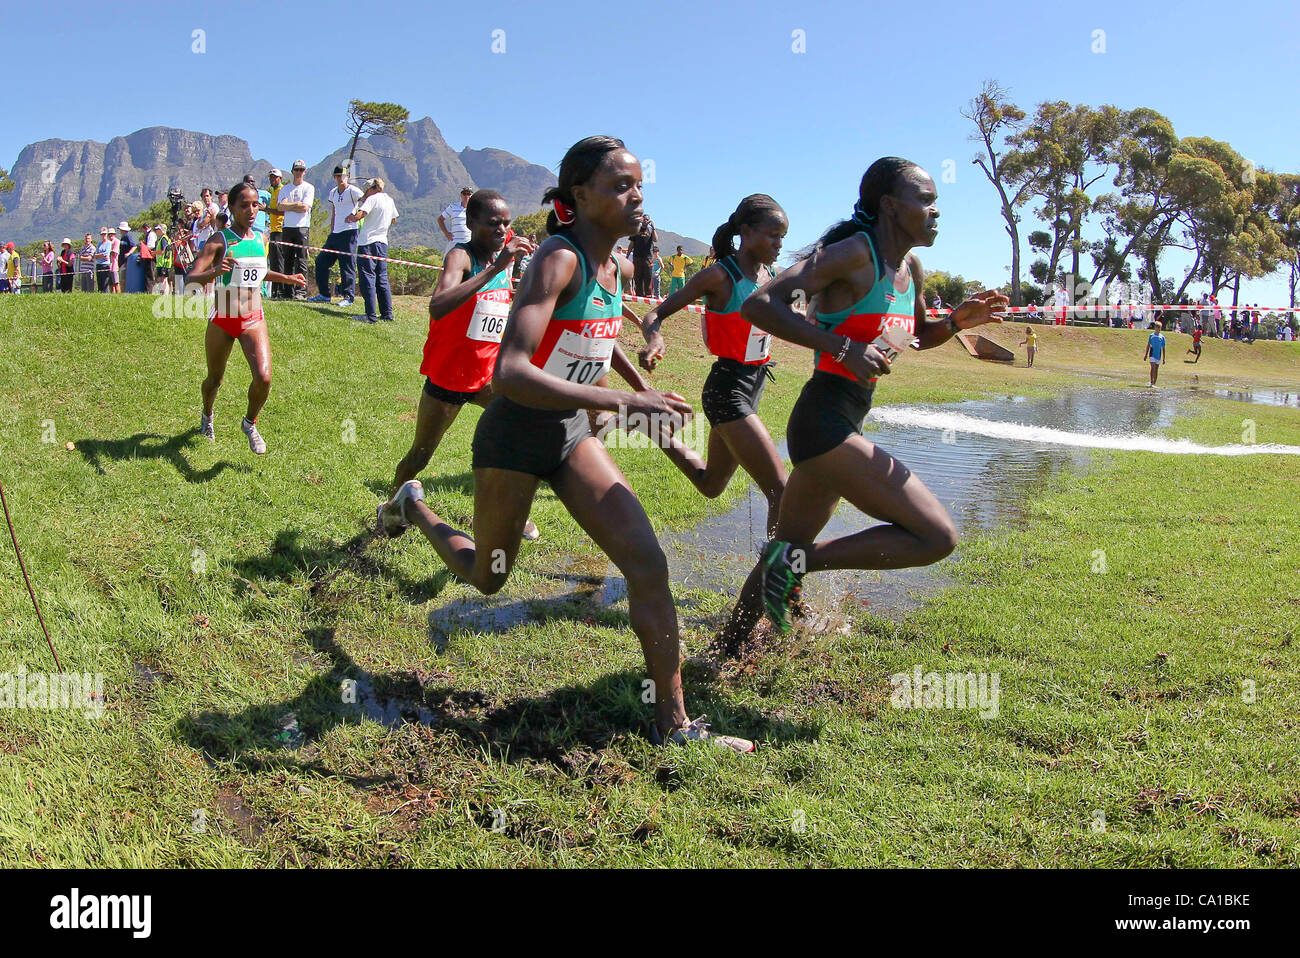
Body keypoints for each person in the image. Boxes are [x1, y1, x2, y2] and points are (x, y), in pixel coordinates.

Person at [379, 136, 754, 753]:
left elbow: (596, 345)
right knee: (487, 576)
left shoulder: (618, 268)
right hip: (513, 438)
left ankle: (675, 725)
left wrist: (634, 379)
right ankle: (414, 505)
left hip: (570, 436)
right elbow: (510, 371)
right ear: (580, 196)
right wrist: (623, 403)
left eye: (639, 185)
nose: (637, 196)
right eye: (621, 186)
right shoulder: (558, 258)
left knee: (648, 565)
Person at [714, 157, 1007, 649]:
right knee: (937, 536)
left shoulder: (910, 266)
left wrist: (957, 323)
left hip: (847, 419)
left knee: (785, 548)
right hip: (823, 424)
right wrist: (842, 347)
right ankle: (795, 566)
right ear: (891, 206)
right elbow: (759, 305)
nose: (936, 212)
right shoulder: (854, 254)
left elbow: (916, 339)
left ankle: (724, 651)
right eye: (927, 201)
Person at [385, 188, 541, 538]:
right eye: (492, 223)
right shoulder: (461, 256)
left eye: (506, 223)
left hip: (488, 375)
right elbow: (438, 305)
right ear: (470, 223)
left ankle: (510, 514)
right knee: (420, 457)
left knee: (523, 433)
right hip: (450, 377)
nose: (502, 230)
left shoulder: (506, 256)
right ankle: (392, 509)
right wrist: (497, 268)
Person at [637, 194, 790, 536]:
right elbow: (655, 312)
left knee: (710, 484)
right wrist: (655, 339)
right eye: (773, 235)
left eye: (783, 237)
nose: (780, 244)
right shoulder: (720, 276)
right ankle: (775, 584)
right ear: (746, 232)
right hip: (728, 388)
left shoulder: (771, 274)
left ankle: (654, 431)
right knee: (781, 489)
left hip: (756, 383)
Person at [187, 181, 307, 455]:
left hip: (253, 316)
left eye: (255, 205)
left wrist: (287, 277)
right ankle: (207, 416)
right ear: (231, 208)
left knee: (264, 378)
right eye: (244, 205)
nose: (251, 210)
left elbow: (258, 271)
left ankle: (250, 423)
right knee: (214, 379)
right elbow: (191, 279)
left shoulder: (259, 238)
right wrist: (215, 272)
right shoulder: (219, 240)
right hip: (224, 315)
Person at [307, 164, 363, 306]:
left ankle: (348, 297)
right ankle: (325, 295)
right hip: (335, 233)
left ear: (347, 176)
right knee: (321, 261)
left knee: (347, 265)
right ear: (334, 177)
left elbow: (367, 201)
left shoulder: (354, 191)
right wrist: (332, 229)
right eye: (337, 176)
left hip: (349, 231)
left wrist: (356, 216)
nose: (340, 179)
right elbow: (334, 211)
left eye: (342, 176)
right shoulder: (333, 192)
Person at [346, 177, 399, 323]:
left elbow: (359, 216)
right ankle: (387, 314)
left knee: (367, 278)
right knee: (382, 278)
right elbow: (394, 219)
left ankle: (370, 315)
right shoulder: (389, 200)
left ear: (371, 189)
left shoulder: (372, 199)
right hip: (382, 243)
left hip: (367, 243)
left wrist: (350, 218)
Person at [277, 160, 314, 302]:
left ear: (304, 172)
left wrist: (289, 205)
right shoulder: (285, 188)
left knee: (302, 260)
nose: (299, 172)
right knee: (288, 260)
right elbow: (280, 207)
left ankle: (300, 291)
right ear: (292, 171)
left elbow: (305, 207)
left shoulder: (308, 188)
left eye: (301, 170)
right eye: (296, 169)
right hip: (287, 227)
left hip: (302, 227)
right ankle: (287, 291)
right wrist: (296, 204)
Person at [264, 169, 286, 298]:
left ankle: (281, 291)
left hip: (280, 230)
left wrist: (266, 209)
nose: (272, 179)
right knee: (273, 262)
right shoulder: (272, 192)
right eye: (271, 177)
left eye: (275, 177)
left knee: (279, 262)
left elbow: (281, 211)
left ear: (280, 178)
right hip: (273, 230)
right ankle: (275, 291)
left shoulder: (281, 190)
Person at [438, 187, 474, 255]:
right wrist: (446, 233)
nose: (466, 196)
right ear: (461, 195)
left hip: (469, 242)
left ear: (471, 196)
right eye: (464, 194)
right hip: (454, 241)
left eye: (468, 194)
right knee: (447, 262)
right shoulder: (453, 207)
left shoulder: (475, 209)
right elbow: (440, 219)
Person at [628, 216, 657, 297]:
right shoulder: (636, 230)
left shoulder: (651, 230)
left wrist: (653, 228)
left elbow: (655, 240)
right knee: (637, 277)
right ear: (641, 220)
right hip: (637, 257)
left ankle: (648, 295)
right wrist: (627, 256)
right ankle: (639, 295)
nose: (646, 221)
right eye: (644, 219)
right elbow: (631, 244)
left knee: (647, 277)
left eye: (647, 219)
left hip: (648, 258)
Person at [1144, 320, 1166, 386]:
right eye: (1156, 327)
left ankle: (1154, 383)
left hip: (1158, 354)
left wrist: (1164, 358)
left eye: (1159, 328)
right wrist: (1146, 354)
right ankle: (1151, 381)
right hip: (1152, 353)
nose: (1158, 329)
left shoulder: (1162, 337)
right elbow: (1148, 345)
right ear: (1155, 328)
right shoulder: (1151, 336)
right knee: (1152, 367)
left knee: (1156, 369)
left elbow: (1163, 348)